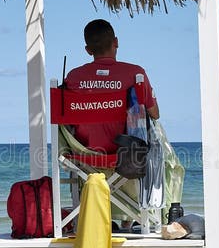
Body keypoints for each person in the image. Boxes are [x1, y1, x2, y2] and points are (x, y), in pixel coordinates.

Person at [65, 19, 159, 153]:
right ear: (116, 42)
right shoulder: (135, 74)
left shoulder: (73, 77)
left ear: (88, 50)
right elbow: (155, 114)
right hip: (126, 154)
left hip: (83, 151)